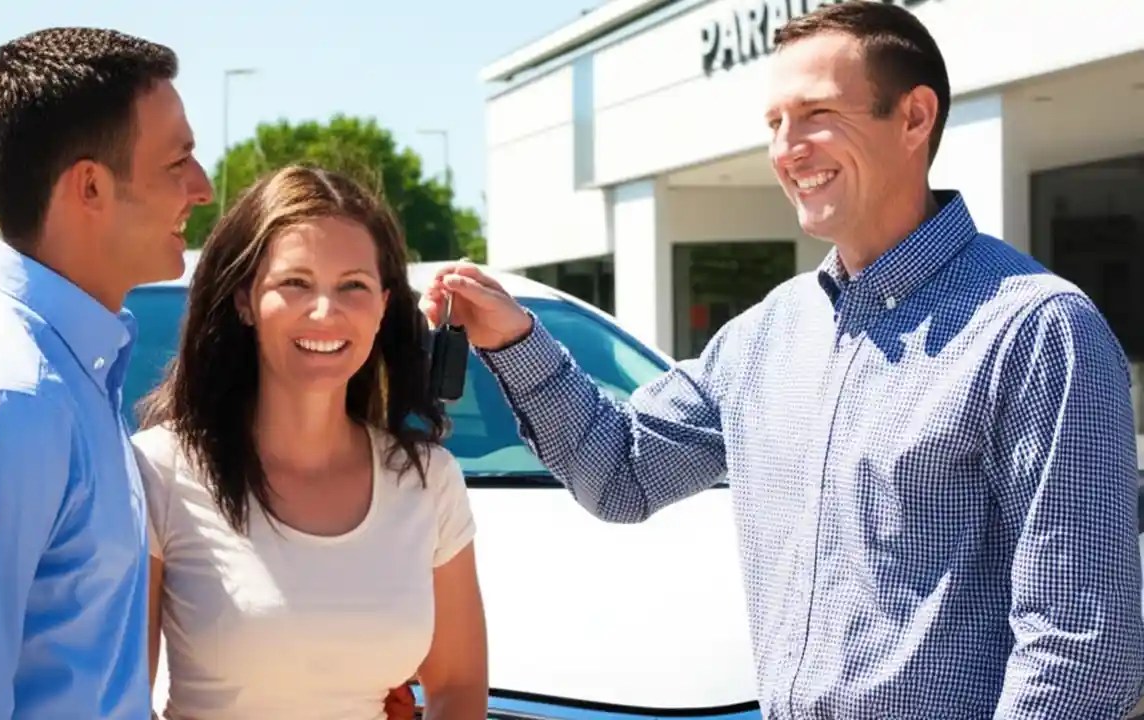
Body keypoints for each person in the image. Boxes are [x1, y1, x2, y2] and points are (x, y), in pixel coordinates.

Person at [423, 2, 1144, 718]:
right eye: (774, 123)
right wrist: (514, 340)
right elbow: (622, 472)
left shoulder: (1037, 330)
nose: (787, 149)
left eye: (816, 114)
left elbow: (1081, 642)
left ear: (916, 118)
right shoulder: (766, 337)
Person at [0, 27, 213, 718]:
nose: (201, 189)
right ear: (90, 186)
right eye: (179, 161)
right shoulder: (5, 400)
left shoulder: (60, 373)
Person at [132, 164, 488, 719]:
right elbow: (119, 701)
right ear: (245, 300)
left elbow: (460, 687)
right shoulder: (161, 470)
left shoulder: (429, 480)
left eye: (354, 286)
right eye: (295, 283)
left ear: (383, 307)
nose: (326, 311)